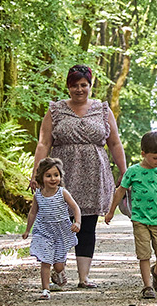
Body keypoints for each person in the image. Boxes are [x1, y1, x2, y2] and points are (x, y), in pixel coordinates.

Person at [33, 64, 126, 288]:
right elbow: (44, 143)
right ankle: (58, 268)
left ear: (90, 86)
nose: (79, 90)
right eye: (74, 86)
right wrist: (37, 174)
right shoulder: (55, 110)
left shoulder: (103, 110)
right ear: (68, 87)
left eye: (83, 85)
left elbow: (114, 143)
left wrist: (125, 172)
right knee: (57, 222)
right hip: (63, 174)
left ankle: (84, 277)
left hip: (94, 174)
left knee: (88, 225)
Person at [104, 131, 157, 300]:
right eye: (155, 158)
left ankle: (156, 272)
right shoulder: (133, 172)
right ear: (143, 154)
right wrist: (111, 211)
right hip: (139, 220)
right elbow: (120, 191)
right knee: (144, 254)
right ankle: (147, 286)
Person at [22, 158, 81, 300]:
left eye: (56, 175)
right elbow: (33, 213)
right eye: (48, 175)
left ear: (60, 177)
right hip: (44, 231)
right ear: (41, 177)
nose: (53, 179)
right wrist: (27, 230)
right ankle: (45, 290)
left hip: (61, 231)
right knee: (45, 260)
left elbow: (75, 207)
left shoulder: (63, 192)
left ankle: (58, 272)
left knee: (58, 265)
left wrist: (77, 222)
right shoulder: (38, 196)